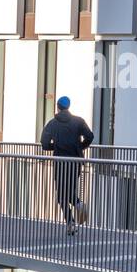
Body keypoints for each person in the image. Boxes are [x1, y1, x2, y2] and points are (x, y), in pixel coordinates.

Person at [40, 95, 95, 236]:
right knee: (69, 189)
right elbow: (90, 136)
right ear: (69, 107)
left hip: (60, 162)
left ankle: (72, 220)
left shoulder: (52, 123)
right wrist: (80, 146)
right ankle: (77, 205)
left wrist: (56, 146)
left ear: (58, 107)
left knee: (61, 196)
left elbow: (44, 143)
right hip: (75, 162)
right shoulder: (78, 121)